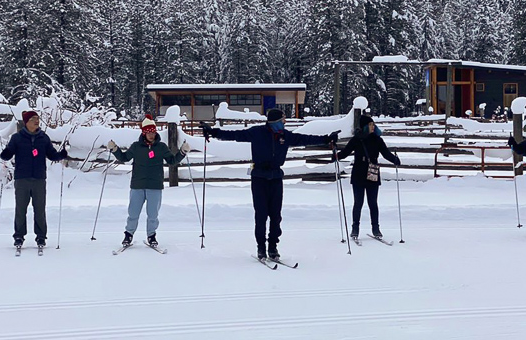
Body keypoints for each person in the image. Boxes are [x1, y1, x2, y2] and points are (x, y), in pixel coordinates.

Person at [201, 108, 338, 261]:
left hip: (276, 178)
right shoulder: (257, 132)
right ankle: (261, 247)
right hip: (259, 177)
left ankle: (273, 247)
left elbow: (305, 139)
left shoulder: (285, 136)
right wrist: (213, 132)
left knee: (275, 215)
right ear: (275, 122)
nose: (284, 123)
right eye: (282, 120)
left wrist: (327, 139)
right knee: (261, 215)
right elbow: (235, 134)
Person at [108, 114, 189, 250]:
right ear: (144, 133)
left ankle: (151, 236)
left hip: (155, 185)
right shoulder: (136, 147)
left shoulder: (161, 147)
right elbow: (124, 158)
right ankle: (128, 234)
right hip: (137, 185)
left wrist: (182, 152)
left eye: (153, 132)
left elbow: (172, 161)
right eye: (148, 132)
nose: (151, 135)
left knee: (153, 214)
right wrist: (115, 149)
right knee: (133, 212)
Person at [0, 110, 69, 249]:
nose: (36, 121)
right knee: (20, 209)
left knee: (40, 209)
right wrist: (5, 154)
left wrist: (61, 155)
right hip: (22, 179)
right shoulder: (17, 138)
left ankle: (41, 237)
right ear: (26, 122)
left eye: (37, 118)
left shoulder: (44, 138)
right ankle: (19, 236)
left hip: (39, 179)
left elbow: (51, 154)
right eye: (33, 119)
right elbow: (8, 153)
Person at [336, 114, 401, 240]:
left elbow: (386, 153)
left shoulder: (377, 140)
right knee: (358, 203)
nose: (373, 127)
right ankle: (355, 229)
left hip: (372, 172)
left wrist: (395, 160)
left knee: (373, 203)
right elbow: (346, 152)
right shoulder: (356, 139)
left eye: (373, 124)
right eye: (370, 125)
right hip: (359, 173)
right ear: (364, 126)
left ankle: (376, 228)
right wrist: (336, 156)